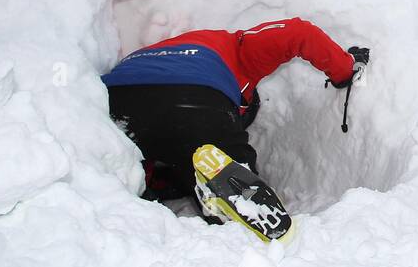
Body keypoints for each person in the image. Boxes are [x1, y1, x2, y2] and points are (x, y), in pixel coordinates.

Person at [102, 17, 368, 227]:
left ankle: (140, 186)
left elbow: (161, 118)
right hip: (195, 95)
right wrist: (344, 69)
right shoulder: (238, 47)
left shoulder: (150, 54)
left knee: (150, 156)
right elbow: (298, 32)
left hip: (115, 101)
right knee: (234, 183)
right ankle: (240, 206)